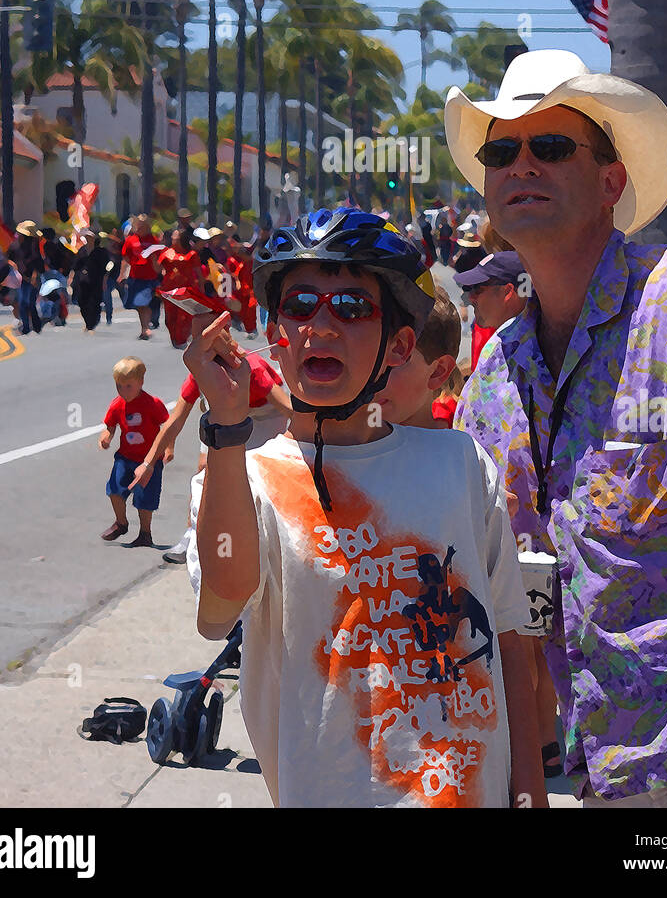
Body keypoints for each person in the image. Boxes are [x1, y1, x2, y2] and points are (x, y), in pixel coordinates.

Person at [446, 46, 667, 808]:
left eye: (549, 146)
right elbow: (507, 595)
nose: (522, 166)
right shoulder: (495, 378)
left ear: (611, 182)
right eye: (501, 150)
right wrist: (522, 774)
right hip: (610, 760)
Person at [190, 207, 545, 809]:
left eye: (352, 308)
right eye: (300, 305)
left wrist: (531, 790)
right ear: (275, 334)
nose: (321, 326)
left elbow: (509, 637)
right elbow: (219, 609)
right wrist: (226, 426)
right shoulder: (246, 478)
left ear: (398, 344)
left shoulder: (461, 465)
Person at [130, 348, 291, 564]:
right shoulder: (200, 370)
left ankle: (263, 538)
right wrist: (148, 463)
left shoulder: (252, 367)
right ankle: (191, 538)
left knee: (258, 473)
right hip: (222, 412)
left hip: (265, 413)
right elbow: (175, 420)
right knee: (204, 469)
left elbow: (288, 408)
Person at [98, 357, 171, 547]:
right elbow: (110, 426)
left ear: (141, 382)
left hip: (150, 461)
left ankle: (145, 533)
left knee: (145, 498)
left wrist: (169, 447)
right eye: (119, 386)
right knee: (114, 490)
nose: (123, 391)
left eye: (128, 386)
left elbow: (167, 428)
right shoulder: (117, 404)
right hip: (125, 458)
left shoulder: (152, 404)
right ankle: (121, 523)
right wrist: (106, 437)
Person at [372, 284, 461, 430]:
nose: (372, 374)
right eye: (369, 358)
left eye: (395, 359)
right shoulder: (345, 441)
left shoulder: (459, 450)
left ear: (438, 371)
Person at [457, 250, 528, 371]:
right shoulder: (506, 338)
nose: (471, 297)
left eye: (478, 289)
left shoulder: (531, 352)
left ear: (507, 292)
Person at [157, 228, 205, 347]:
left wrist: (201, 288)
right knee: (170, 317)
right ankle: (174, 338)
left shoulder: (191, 254)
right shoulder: (166, 253)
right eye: (174, 237)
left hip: (186, 290)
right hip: (169, 290)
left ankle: (181, 339)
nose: (174, 240)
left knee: (184, 316)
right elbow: (158, 269)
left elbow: (198, 273)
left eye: (177, 238)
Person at [119, 214, 162, 340]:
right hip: (135, 276)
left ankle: (145, 328)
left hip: (149, 277)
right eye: (139, 225)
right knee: (138, 304)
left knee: (144, 302)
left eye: (144, 225)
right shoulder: (131, 240)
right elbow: (125, 257)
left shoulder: (153, 240)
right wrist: (123, 273)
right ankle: (144, 327)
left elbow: (159, 257)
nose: (141, 227)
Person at [70, 231, 109, 331]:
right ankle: (88, 322)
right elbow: (76, 265)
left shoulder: (101, 251)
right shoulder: (82, 250)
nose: (88, 239)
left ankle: (92, 322)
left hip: (97, 280)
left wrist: (105, 278)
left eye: (90, 238)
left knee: (95, 301)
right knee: (83, 301)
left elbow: (106, 265)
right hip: (83, 281)